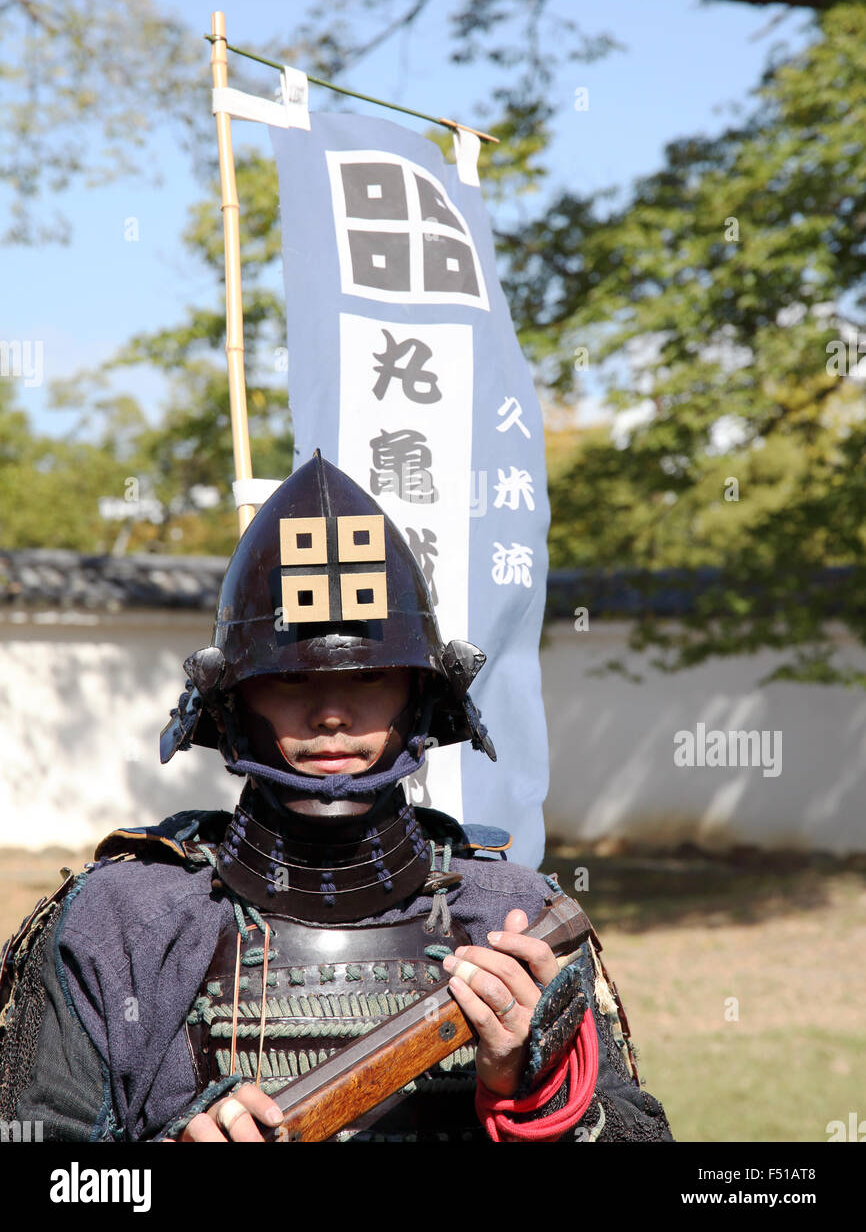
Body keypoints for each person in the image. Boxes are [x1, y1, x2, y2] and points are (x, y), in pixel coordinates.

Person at [0, 452, 673, 1143]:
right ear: (231, 704)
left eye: (370, 678)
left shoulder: (517, 917)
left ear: (421, 699)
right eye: (291, 683)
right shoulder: (122, 920)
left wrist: (537, 1095)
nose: (331, 715)